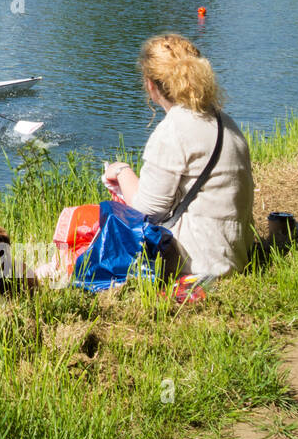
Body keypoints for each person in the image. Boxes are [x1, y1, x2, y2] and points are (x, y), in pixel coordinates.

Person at [98, 34, 254, 276]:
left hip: (198, 263)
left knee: (88, 227)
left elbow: (146, 212)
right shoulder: (224, 121)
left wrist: (121, 172)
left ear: (150, 84)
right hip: (235, 254)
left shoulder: (173, 130)